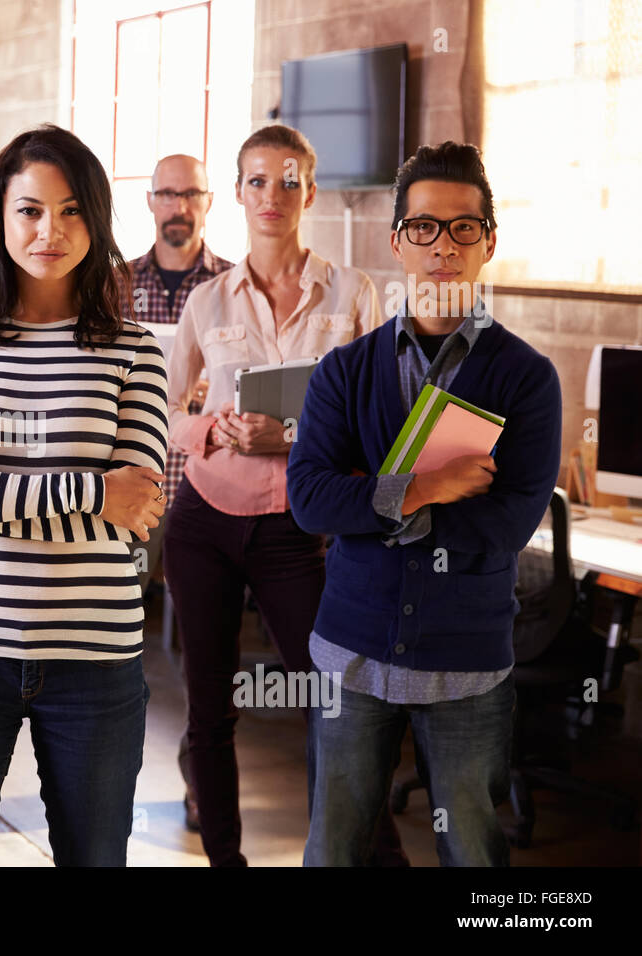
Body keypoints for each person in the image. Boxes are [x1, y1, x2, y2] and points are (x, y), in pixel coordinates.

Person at [0, 124, 168, 866]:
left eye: (73, 210)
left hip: (97, 658)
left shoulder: (136, 351)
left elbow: (136, 506)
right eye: (30, 210)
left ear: (98, 218)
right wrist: (89, 489)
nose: (51, 230)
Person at [291, 142, 561, 866]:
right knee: (334, 847)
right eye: (425, 228)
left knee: (472, 849)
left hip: (465, 658)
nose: (444, 245)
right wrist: (425, 488)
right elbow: (310, 500)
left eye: (463, 228)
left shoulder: (527, 379)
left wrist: (372, 501)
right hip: (352, 649)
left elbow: (506, 524)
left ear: (489, 243)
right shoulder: (345, 372)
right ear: (397, 243)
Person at [162, 125, 388, 867]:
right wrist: (208, 430)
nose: (272, 196)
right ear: (237, 193)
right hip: (204, 520)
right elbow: (158, 411)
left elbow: (382, 422)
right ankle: (224, 859)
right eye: (257, 181)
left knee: (333, 702)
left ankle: (366, 852)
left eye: (288, 181)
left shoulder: (355, 296)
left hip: (298, 526)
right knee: (209, 708)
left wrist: (289, 436)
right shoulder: (207, 300)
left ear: (310, 192)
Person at [118, 153, 234, 834]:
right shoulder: (115, 285)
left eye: (190, 192)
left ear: (208, 201)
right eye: (166, 193)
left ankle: (200, 786)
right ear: (151, 202)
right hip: (129, 491)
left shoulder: (229, 285)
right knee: (112, 637)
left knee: (201, 651)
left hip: (201, 491)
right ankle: (106, 771)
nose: (178, 205)